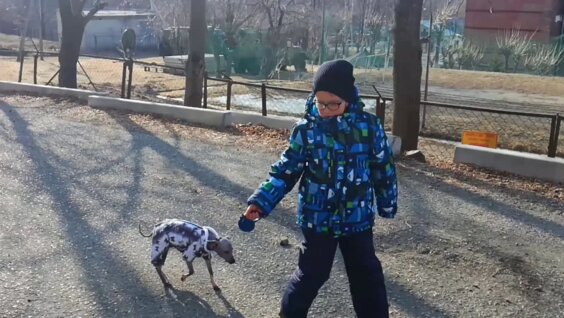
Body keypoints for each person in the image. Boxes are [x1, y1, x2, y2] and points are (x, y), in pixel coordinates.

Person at [243, 60, 398, 318]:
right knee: (312, 273)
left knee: (367, 274)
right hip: (318, 218)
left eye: (332, 104)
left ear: (348, 99)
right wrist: (262, 201)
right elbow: (285, 170)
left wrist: (387, 202)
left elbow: (382, 168)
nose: (325, 110)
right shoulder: (307, 130)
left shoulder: (369, 128)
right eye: (320, 103)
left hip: (357, 218)